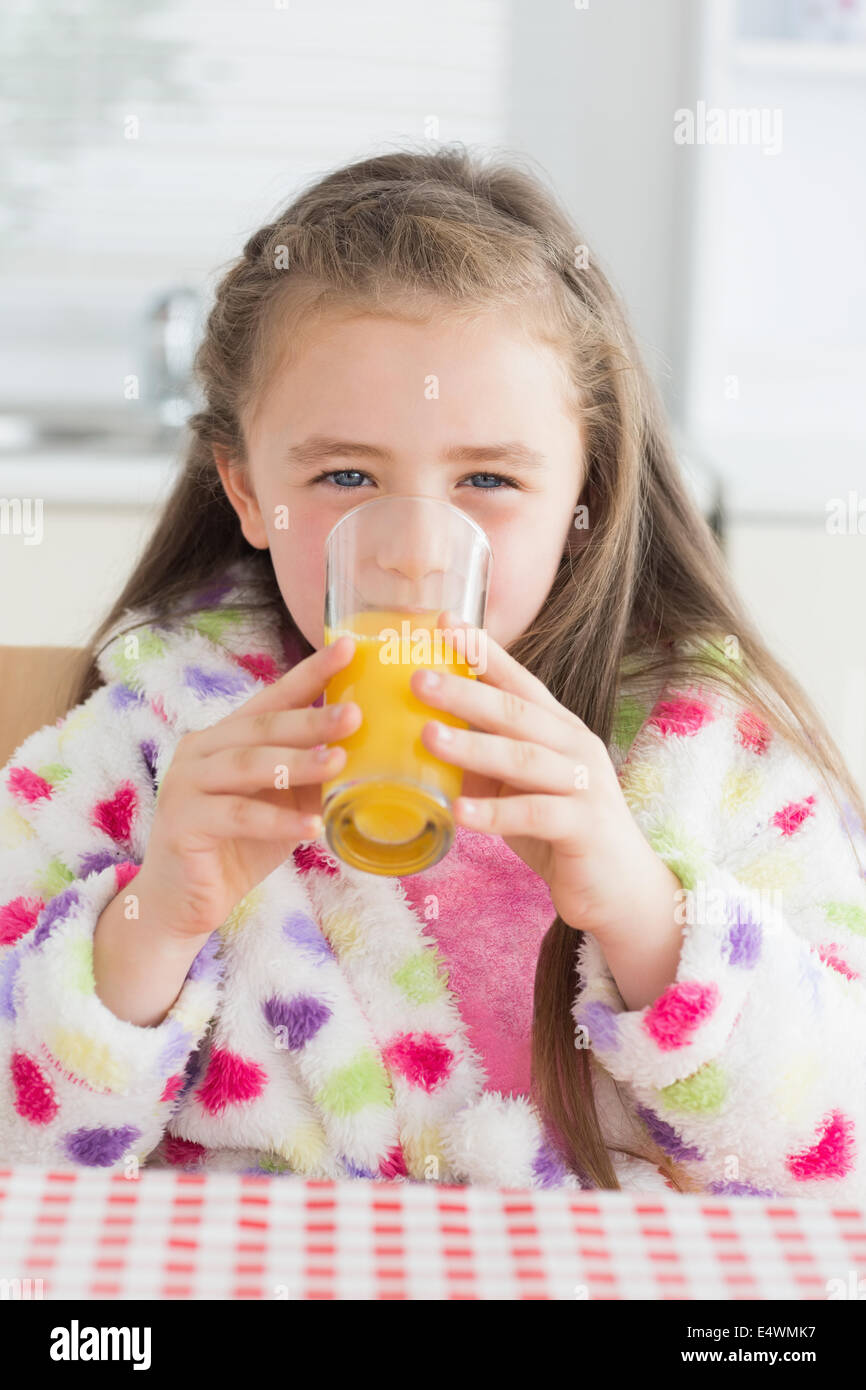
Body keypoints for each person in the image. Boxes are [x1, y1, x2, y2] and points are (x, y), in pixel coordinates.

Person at [2, 145, 865, 1196]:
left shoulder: (707, 762)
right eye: (345, 474)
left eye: (488, 478)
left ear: (579, 495)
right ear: (243, 489)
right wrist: (154, 917)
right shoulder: (140, 747)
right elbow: (19, 1150)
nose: (413, 548)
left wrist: (647, 917)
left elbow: (833, 1150)